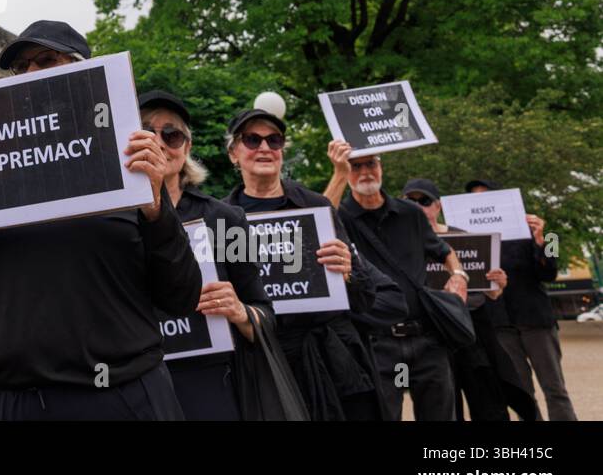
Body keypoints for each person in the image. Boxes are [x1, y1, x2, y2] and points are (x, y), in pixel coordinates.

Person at [0, 21, 202, 420]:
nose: (31, 75)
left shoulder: (126, 167)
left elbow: (180, 296)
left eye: (47, 61)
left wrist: (155, 208)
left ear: (83, 73)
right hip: (13, 401)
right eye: (21, 68)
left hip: (118, 397)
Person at [222, 108, 407, 420]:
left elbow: (365, 297)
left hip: (335, 361)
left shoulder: (317, 207)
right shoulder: (220, 219)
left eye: (274, 140)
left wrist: (349, 272)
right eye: (252, 140)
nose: (265, 148)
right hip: (268, 363)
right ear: (233, 154)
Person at [138, 90, 297, 420]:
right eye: (147, 131)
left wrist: (239, 311)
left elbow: (264, 314)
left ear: (187, 147)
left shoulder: (223, 219)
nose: (160, 142)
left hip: (211, 385)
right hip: (138, 385)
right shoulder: (111, 221)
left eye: (172, 134)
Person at [323, 148, 468, 421]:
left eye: (371, 164)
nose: (365, 172)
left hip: (426, 340)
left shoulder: (410, 213)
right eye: (356, 167)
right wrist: (338, 174)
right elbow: (318, 225)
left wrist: (459, 275)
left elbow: (443, 250)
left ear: (381, 167)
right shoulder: (341, 216)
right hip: (379, 345)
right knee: (386, 414)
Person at [402, 182, 537, 422]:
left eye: (424, 201)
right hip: (432, 336)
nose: (418, 207)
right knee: (442, 405)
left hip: (480, 331)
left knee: (496, 400)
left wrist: (500, 282)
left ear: (438, 206)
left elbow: (494, 293)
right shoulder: (399, 244)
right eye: (410, 202)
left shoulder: (465, 238)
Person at [467, 179, 577, 420]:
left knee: (555, 388)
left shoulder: (537, 232)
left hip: (535, 320)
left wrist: (542, 240)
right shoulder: (471, 241)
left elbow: (550, 272)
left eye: (485, 196)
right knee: (522, 392)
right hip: (499, 323)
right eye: (474, 198)